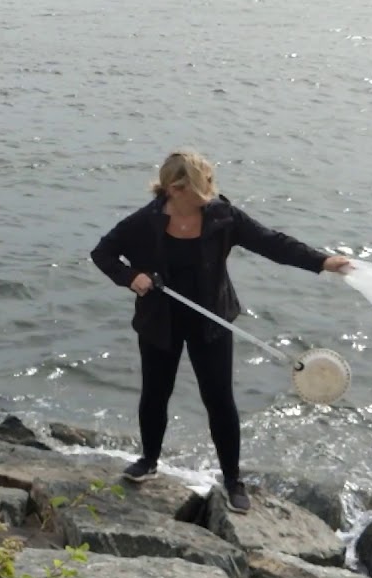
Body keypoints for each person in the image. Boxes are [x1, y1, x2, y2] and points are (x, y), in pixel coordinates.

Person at [90, 150, 349, 514]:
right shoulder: (142, 223)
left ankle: (232, 480)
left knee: (219, 400)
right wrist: (131, 277)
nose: (208, 194)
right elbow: (102, 253)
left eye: (209, 184)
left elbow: (272, 242)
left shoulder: (223, 217)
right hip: (159, 321)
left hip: (211, 320)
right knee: (155, 393)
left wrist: (321, 262)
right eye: (201, 188)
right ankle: (149, 461)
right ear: (175, 189)